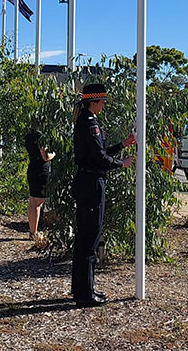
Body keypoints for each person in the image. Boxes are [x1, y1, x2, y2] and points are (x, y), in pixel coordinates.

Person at [71, 83, 135, 307]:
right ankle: (85, 294)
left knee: (84, 239)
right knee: (89, 239)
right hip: (91, 183)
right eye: (102, 103)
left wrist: (122, 145)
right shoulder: (89, 124)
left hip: (86, 181)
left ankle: (83, 290)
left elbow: (98, 152)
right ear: (94, 102)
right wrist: (122, 164)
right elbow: (99, 159)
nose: (104, 107)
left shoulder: (85, 122)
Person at [24, 127, 55, 240]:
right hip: (41, 171)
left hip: (32, 168)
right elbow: (45, 156)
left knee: (32, 201)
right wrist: (54, 154)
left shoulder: (29, 135)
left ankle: (32, 231)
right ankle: (34, 233)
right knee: (38, 203)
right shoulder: (41, 136)